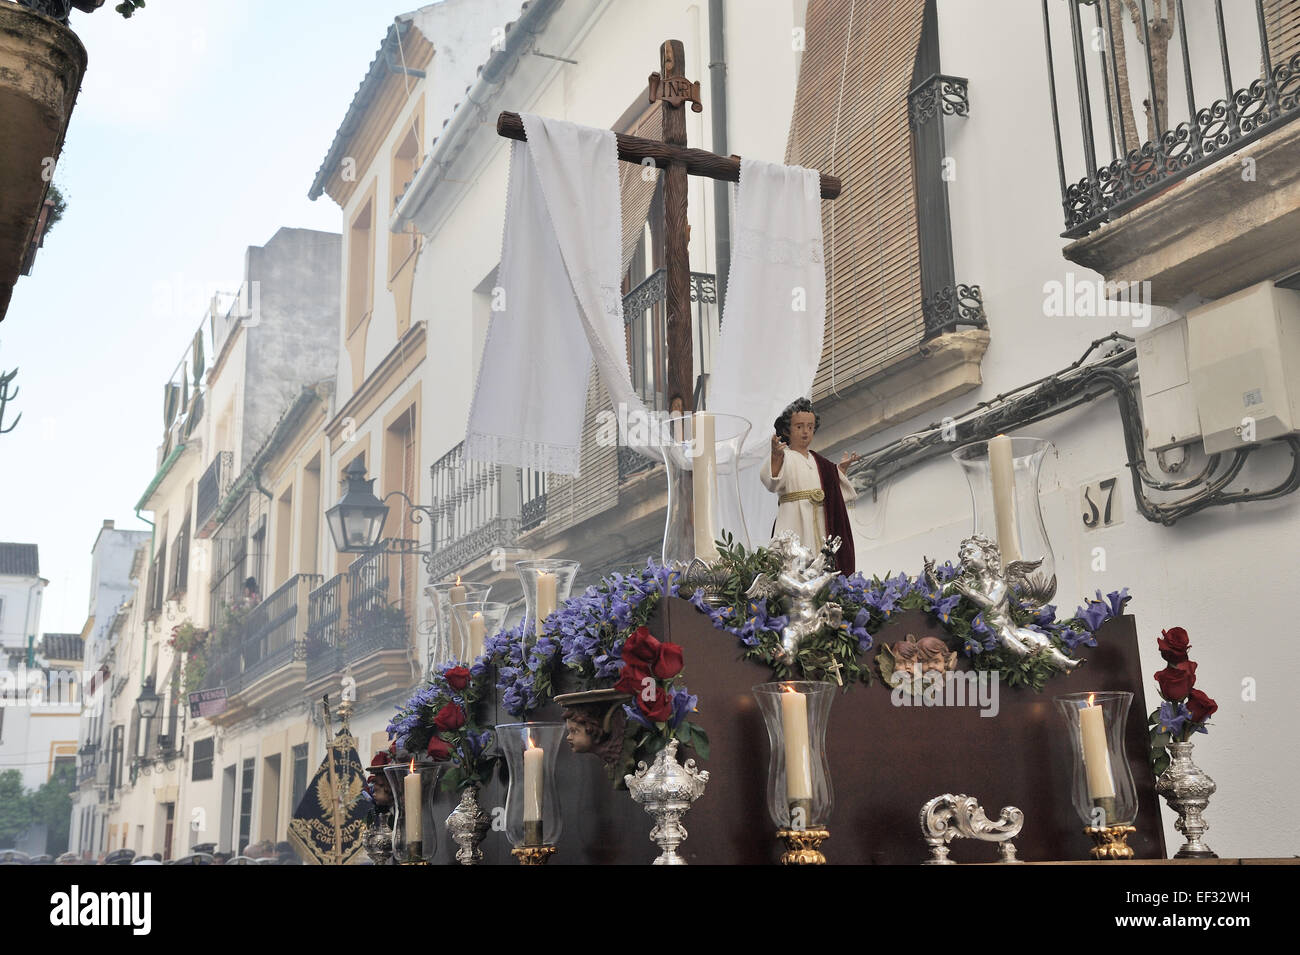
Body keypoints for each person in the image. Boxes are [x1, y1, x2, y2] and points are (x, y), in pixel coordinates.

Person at [759, 397, 859, 573]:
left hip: (821, 519)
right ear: (787, 430)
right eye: (799, 427)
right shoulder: (785, 457)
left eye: (810, 427)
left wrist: (840, 471)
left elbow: (833, 492)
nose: (805, 432)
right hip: (793, 518)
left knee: (822, 562)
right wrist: (775, 456)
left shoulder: (820, 462)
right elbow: (771, 481)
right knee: (792, 565)